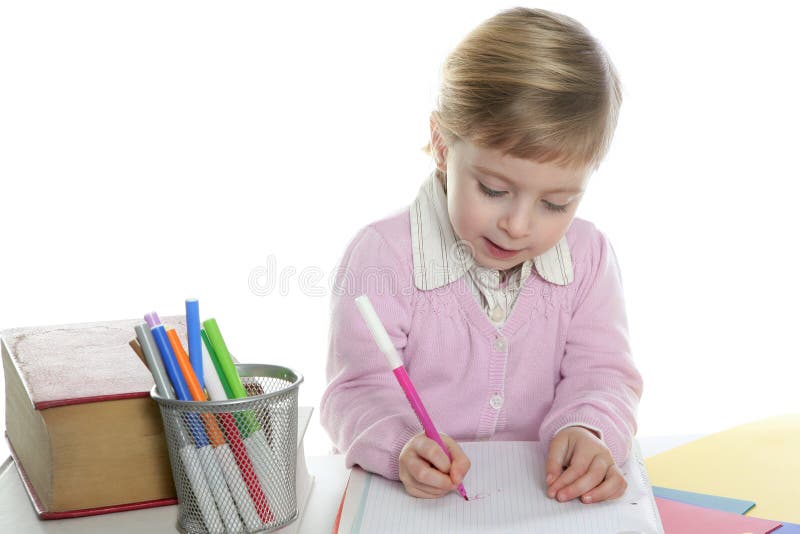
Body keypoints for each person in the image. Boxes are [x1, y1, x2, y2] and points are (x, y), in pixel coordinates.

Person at [320, 7, 642, 505]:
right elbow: (354, 392)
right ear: (442, 146)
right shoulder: (383, 257)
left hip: (544, 501)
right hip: (417, 505)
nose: (518, 225)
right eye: (493, 189)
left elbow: (603, 374)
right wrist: (400, 445)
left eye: (556, 203)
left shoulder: (589, 256)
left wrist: (590, 429)